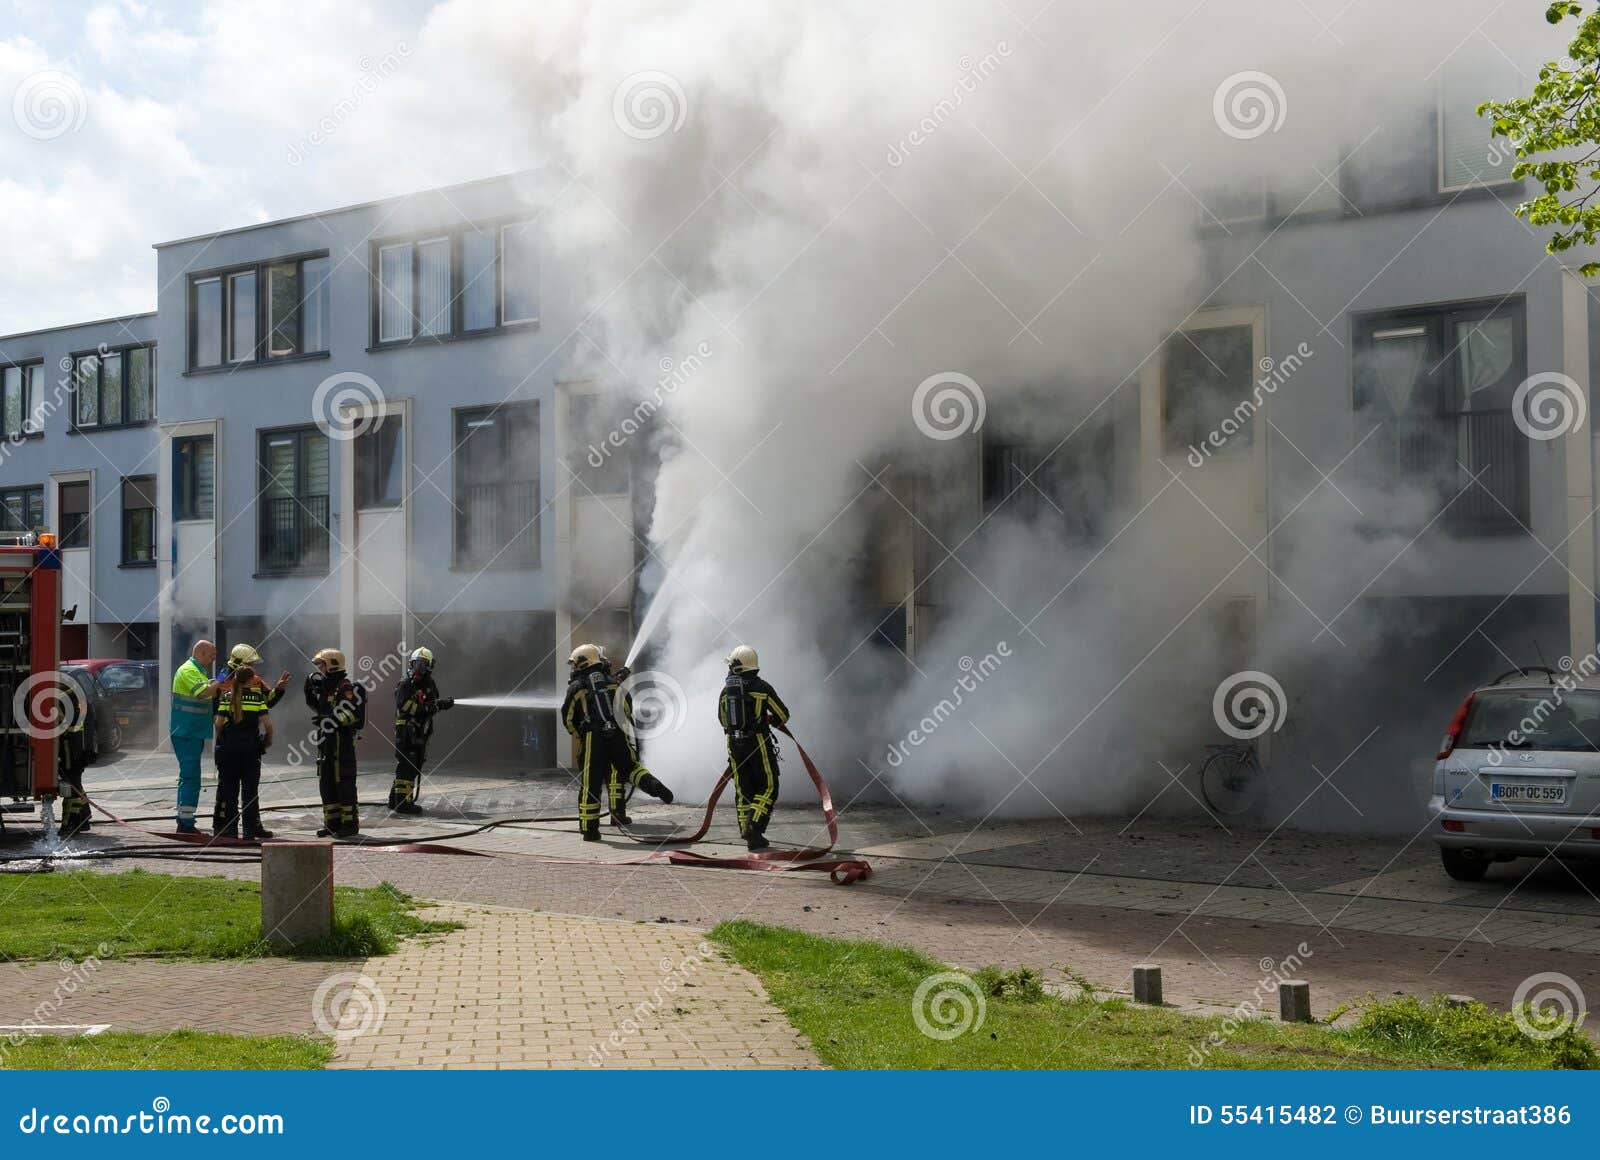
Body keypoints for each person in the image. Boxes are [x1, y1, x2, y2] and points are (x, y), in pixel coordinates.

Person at [561, 643, 673, 841]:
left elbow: (568, 719)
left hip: (593, 740)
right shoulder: (613, 683)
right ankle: (654, 786)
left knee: (591, 784)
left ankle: (590, 830)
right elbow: (628, 711)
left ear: (581, 664)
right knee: (630, 768)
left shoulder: (577, 687)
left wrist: (582, 734)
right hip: (618, 736)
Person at [718, 645, 790, 851]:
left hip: (734, 745)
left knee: (743, 790)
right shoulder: (763, 688)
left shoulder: (726, 691)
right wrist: (767, 719)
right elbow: (783, 714)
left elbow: (723, 720)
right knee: (768, 787)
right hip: (757, 743)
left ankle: (747, 832)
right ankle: (754, 827)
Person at [304, 648, 366, 838]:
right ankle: (332, 824)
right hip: (326, 743)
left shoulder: (346, 688)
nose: (319, 669)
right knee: (327, 783)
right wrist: (309, 692)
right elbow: (318, 708)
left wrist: (330, 719)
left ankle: (349, 825)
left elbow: (355, 716)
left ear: (332, 665)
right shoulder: (327, 687)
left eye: (321, 665)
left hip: (342, 744)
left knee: (344, 784)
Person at [388, 647, 455, 813]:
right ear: (411, 664)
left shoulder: (430, 685)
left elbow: (433, 704)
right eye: (416, 664)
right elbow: (404, 706)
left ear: (430, 666)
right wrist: (431, 707)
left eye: (423, 665)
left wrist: (442, 704)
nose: (419, 669)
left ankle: (395, 800)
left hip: (420, 732)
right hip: (406, 731)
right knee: (406, 766)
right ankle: (403, 805)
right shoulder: (405, 684)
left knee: (414, 766)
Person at [212, 665, 275, 840]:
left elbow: (218, 723)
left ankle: (231, 830)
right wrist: (268, 740)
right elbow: (268, 725)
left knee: (230, 791)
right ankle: (249, 831)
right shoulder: (257, 698)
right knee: (250, 792)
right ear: (249, 680)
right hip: (250, 751)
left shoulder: (226, 697)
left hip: (229, 751)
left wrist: (222, 739)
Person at [170, 639, 221, 834]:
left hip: (192, 731)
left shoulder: (197, 671)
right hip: (187, 732)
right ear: (200, 652)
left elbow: (206, 690)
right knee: (191, 777)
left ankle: (185, 819)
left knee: (191, 776)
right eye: (211, 654)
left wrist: (217, 684)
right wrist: (218, 683)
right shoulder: (189, 670)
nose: (214, 657)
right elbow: (203, 693)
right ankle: (185, 822)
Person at [57, 676, 91, 838]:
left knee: (71, 786)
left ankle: (72, 824)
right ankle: (84, 817)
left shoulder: (62, 696)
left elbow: (61, 723)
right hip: (78, 748)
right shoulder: (74, 693)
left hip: (70, 748)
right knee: (75, 782)